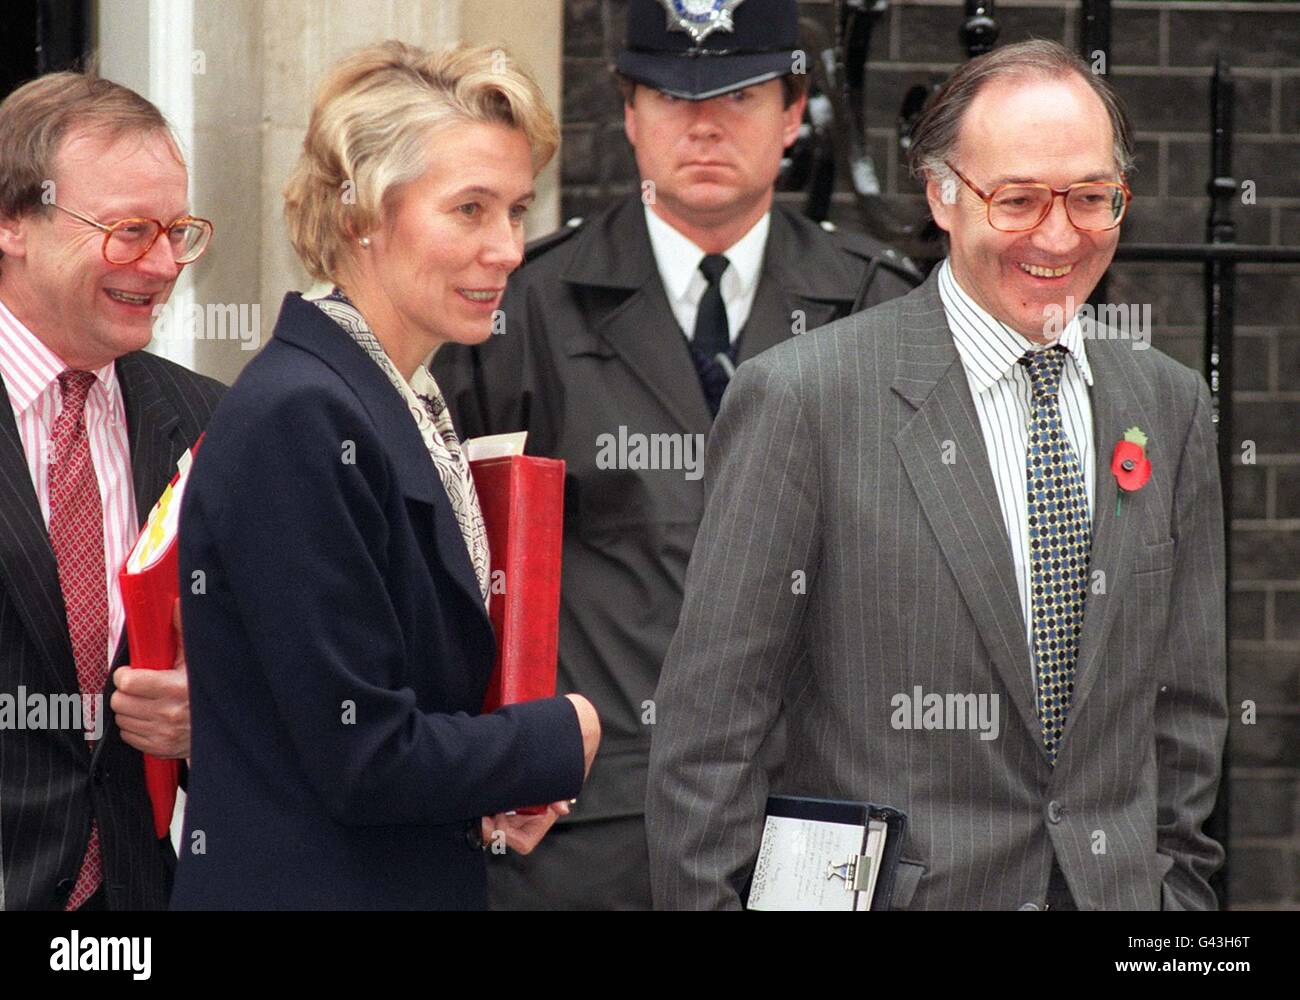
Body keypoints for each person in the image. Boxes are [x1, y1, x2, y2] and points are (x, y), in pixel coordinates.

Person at [647, 40, 1228, 911]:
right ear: (942, 195)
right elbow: (709, 741)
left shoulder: (1169, 403)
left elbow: (1185, 723)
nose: (1059, 234)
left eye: (1090, 198)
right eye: (1020, 199)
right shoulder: (804, 399)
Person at [431, 0, 919, 911]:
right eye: (665, 93)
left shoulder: (876, 308)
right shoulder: (520, 306)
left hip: (812, 822)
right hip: (585, 827)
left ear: (791, 112)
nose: (702, 123)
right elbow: (444, 564)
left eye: (738, 95)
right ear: (626, 112)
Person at [170, 41, 601, 911]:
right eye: (469, 210)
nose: (509, 248)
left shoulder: (387, 394)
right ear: (363, 212)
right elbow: (364, 756)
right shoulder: (305, 413)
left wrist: (487, 796)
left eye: (517, 211)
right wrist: (560, 735)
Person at [0, 71, 221, 910]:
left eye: (176, 231)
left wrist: (212, 718)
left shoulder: (210, 424)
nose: (162, 265)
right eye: (130, 230)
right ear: (13, 220)